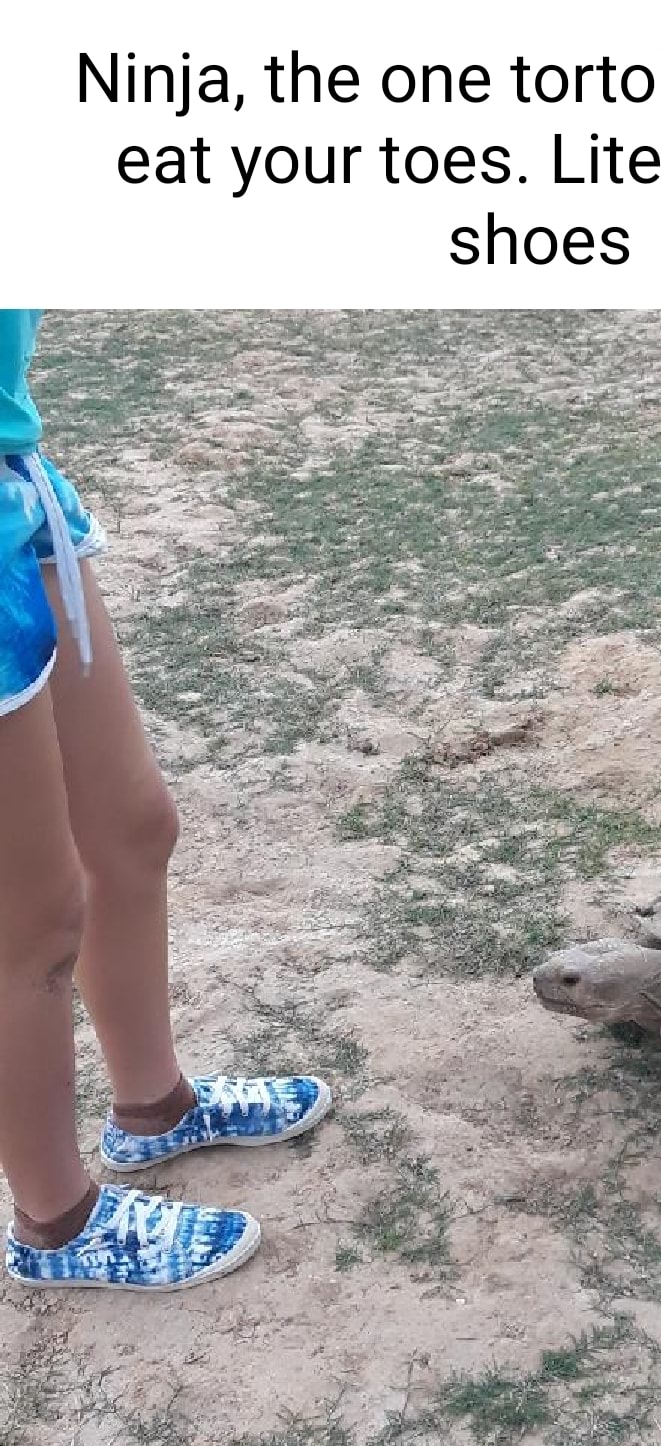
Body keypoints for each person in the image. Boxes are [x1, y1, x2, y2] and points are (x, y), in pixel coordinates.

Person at [0, 309, 332, 1291]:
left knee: (133, 829)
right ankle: (53, 1220)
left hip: (18, 481)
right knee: (30, 921)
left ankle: (154, 1107)